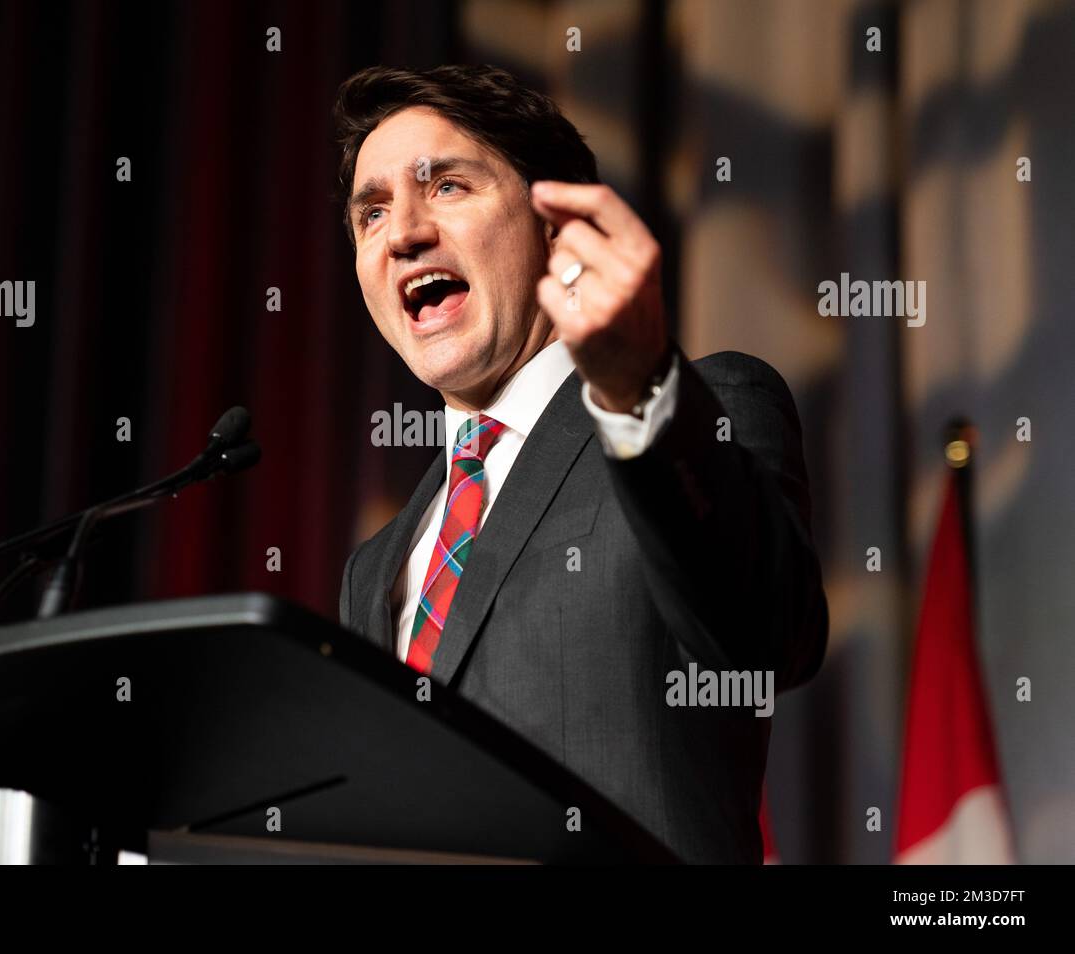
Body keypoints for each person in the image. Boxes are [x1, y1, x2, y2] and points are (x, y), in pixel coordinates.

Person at [334, 64, 828, 864]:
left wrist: (641, 395)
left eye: (448, 187)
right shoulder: (374, 569)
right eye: (372, 213)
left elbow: (768, 636)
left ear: (557, 228)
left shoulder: (697, 410)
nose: (403, 234)